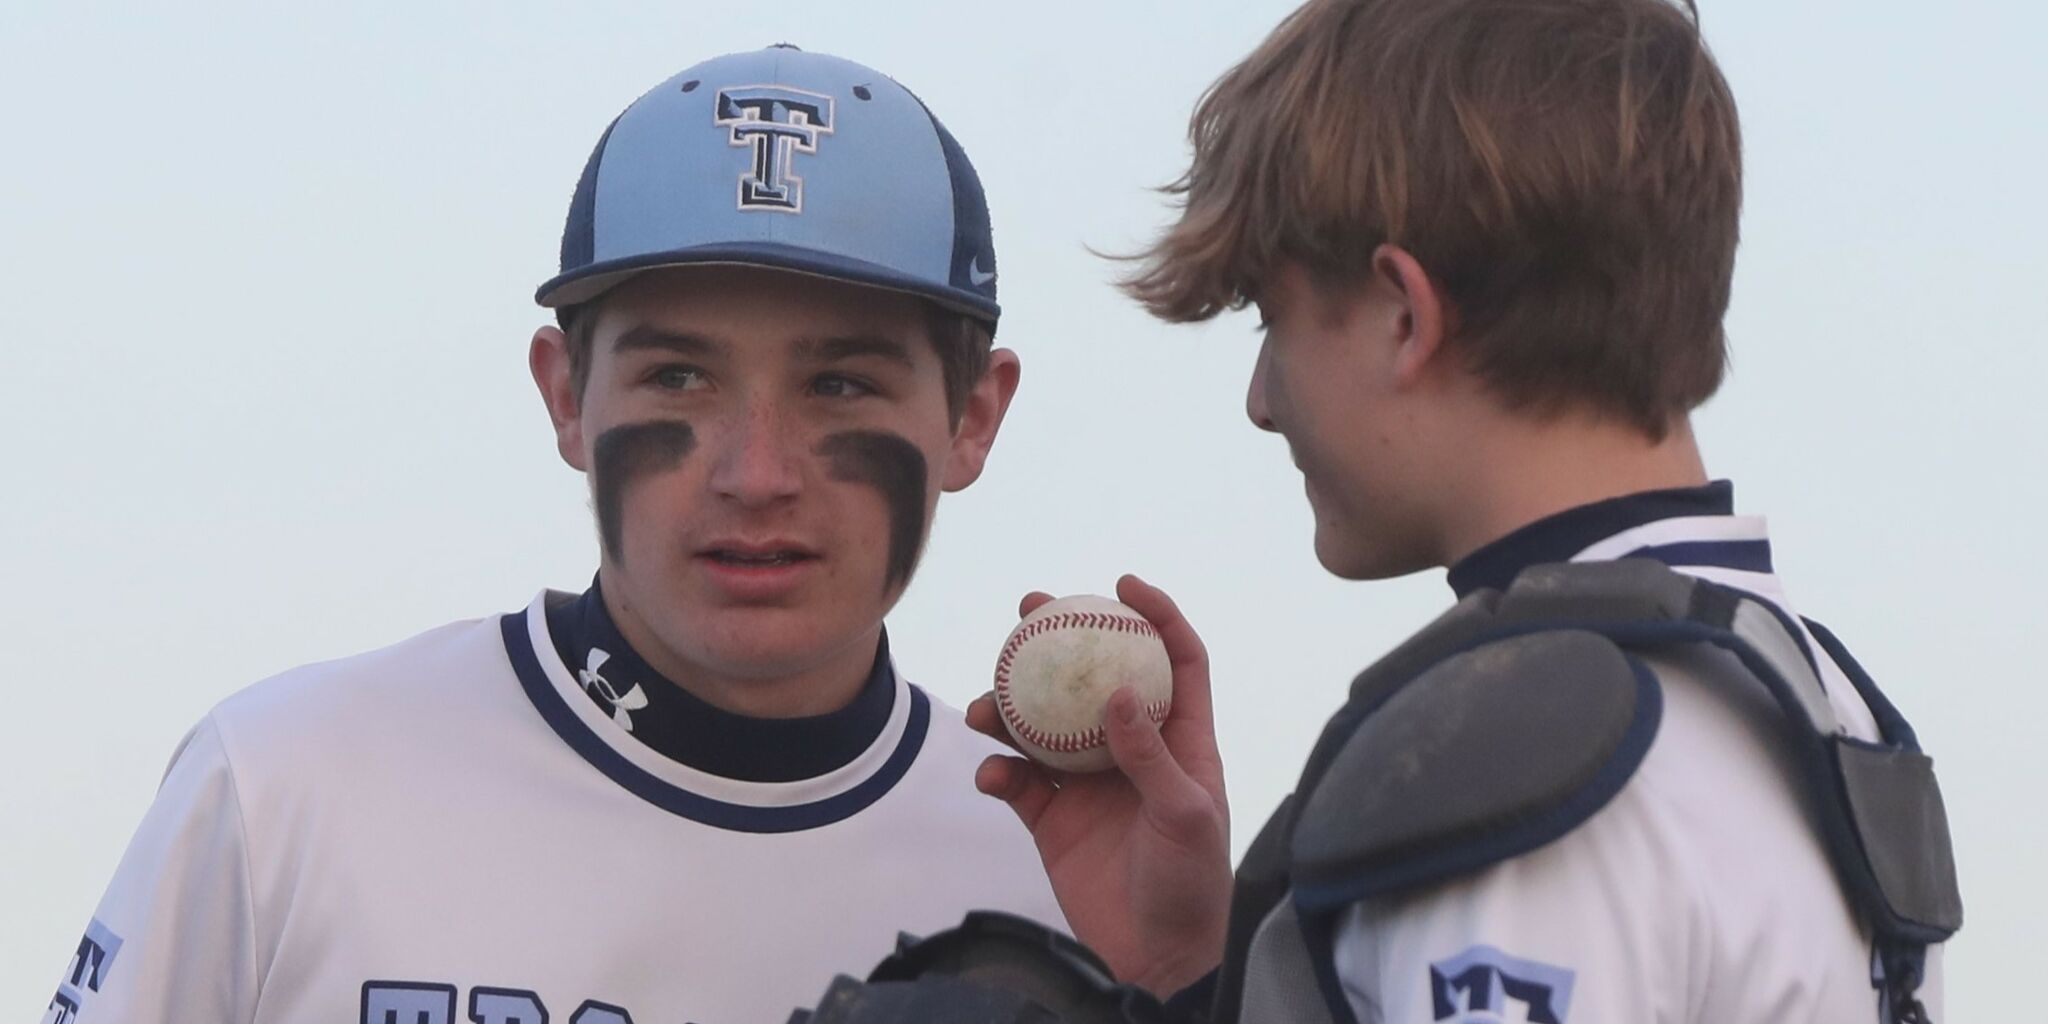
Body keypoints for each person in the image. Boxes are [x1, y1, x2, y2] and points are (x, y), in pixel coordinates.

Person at [964, 1, 1960, 1021]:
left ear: (1402, 314)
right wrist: (1188, 971)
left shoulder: (1524, 757)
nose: (1261, 401)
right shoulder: (1820, 696)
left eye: (1276, 321)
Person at [43, 44, 1065, 1024]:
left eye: (838, 385)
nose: (755, 475)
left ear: (972, 417)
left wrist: (1180, 975)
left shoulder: (1049, 874)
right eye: (679, 377)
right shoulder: (281, 784)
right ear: (566, 394)